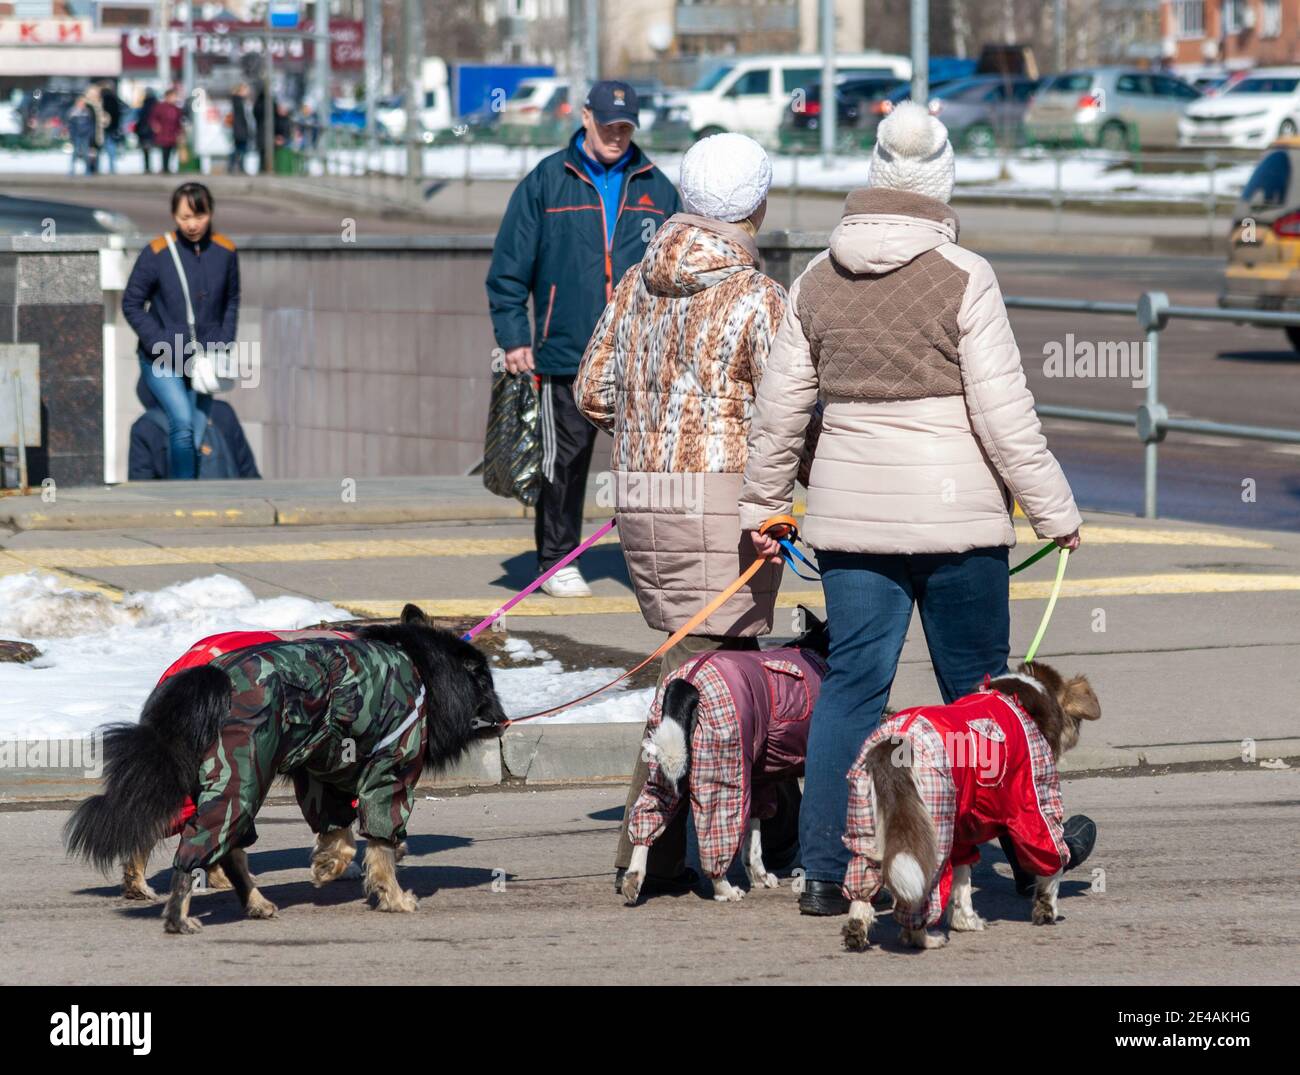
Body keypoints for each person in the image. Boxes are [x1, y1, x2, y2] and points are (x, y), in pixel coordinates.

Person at [738, 101, 1086, 916]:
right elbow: (1005, 415)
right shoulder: (966, 275)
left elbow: (780, 412)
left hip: (853, 527)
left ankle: (827, 871)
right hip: (959, 522)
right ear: (941, 183)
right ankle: (1027, 858)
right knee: (983, 697)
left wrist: (762, 501)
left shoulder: (816, 278)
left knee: (854, 687)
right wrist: (1053, 509)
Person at [576, 133, 792, 892]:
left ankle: (667, 847)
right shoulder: (758, 297)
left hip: (641, 494)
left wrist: (649, 426)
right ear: (755, 207)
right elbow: (789, 408)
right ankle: (707, 846)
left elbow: (591, 392)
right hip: (722, 501)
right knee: (726, 672)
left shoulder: (637, 280)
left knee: (685, 660)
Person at [486, 80, 680, 597]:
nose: (618, 134)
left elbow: (679, 269)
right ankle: (556, 560)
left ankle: (648, 561)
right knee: (564, 462)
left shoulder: (657, 188)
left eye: (626, 126)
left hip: (638, 356)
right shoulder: (548, 181)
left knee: (645, 466)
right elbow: (508, 270)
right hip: (564, 351)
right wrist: (514, 338)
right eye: (610, 123)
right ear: (587, 117)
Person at [121, 182, 241, 480]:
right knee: (183, 421)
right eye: (184, 217)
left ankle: (190, 484)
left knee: (198, 428)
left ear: (210, 213)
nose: (192, 225)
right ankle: (183, 491)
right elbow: (132, 303)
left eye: (198, 217)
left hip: (206, 358)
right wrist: (159, 342)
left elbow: (232, 300)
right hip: (161, 357)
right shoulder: (158, 252)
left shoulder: (225, 251)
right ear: (174, 216)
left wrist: (224, 342)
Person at [128, 374, 260, 480]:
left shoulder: (146, 426)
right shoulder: (221, 412)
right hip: (230, 507)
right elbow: (249, 473)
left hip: (181, 508)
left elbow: (142, 485)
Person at [150, 88, 185, 174]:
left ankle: (169, 167)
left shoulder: (176, 109)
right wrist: (155, 126)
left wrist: (181, 132)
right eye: (173, 96)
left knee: (172, 150)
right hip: (163, 133)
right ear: (167, 97)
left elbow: (179, 122)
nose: (175, 98)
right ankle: (164, 167)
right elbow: (153, 118)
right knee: (165, 151)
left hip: (173, 134)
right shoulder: (160, 107)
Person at [97, 80, 122, 174]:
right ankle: (112, 168)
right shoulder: (114, 99)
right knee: (111, 148)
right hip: (112, 127)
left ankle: (96, 168)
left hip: (102, 128)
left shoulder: (102, 100)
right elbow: (118, 114)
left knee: (99, 148)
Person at [66, 95, 95, 176]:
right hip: (76, 136)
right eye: (80, 102)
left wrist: (89, 133)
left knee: (86, 154)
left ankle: (87, 171)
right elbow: (70, 126)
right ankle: (72, 170)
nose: (82, 104)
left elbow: (90, 125)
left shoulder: (87, 112)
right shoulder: (73, 112)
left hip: (85, 136)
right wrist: (72, 135)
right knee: (75, 153)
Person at [228, 84, 253, 174]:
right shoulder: (238, 100)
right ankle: (234, 166)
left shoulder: (241, 101)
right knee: (239, 149)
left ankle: (238, 166)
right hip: (240, 129)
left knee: (241, 149)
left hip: (242, 129)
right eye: (246, 90)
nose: (247, 92)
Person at [136, 88, 158, 173]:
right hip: (150, 130)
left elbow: (141, 118)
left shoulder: (145, 105)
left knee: (146, 150)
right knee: (149, 149)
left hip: (145, 130)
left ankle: (147, 167)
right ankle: (149, 167)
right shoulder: (156, 104)